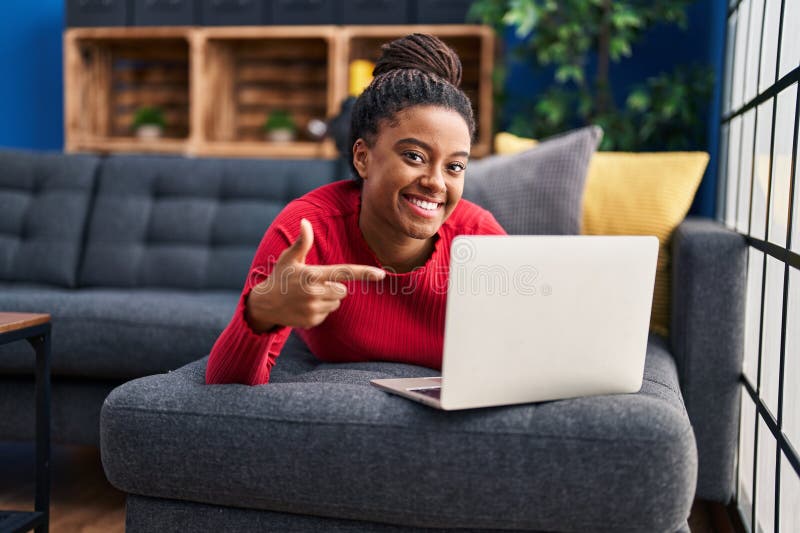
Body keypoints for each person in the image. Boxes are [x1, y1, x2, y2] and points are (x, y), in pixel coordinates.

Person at [205, 33, 506, 386]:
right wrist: (261, 313)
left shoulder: (479, 236)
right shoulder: (308, 229)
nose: (436, 182)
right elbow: (225, 387)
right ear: (363, 157)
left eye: (454, 167)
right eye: (414, 157)